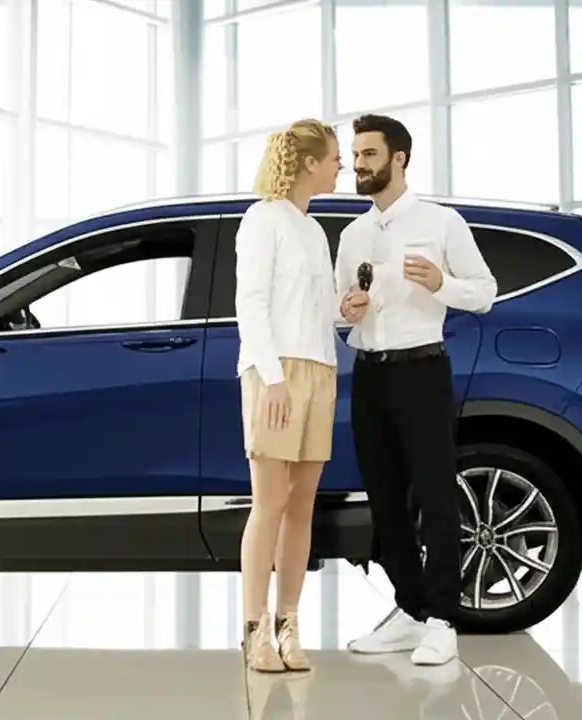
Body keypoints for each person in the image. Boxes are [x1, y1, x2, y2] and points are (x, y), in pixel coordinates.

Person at [336, 114, 497, 666]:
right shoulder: (353, 234)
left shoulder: (441, 222)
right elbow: (343, 303)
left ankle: (443, 619)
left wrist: (441, 284)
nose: (358, 165)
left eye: (369, 155)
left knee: (435, 493)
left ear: (399, 158)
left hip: (423, 371)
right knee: (384, 496)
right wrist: (347, 309)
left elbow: (485, 292)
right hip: (370, 373)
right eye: (355, 156)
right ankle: (409, 609)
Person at [234, 118, 342, 673]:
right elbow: (250, 304)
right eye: (334, 156)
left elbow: (317, 310)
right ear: (308, 164)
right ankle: (254, 632)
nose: (340, 164)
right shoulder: (262, 219)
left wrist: (345, 313)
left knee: (302, 507)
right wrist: (273, 377)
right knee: (269, 502)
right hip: (273, 372)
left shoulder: (314, 229)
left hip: (320, 369)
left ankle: (289, 627)